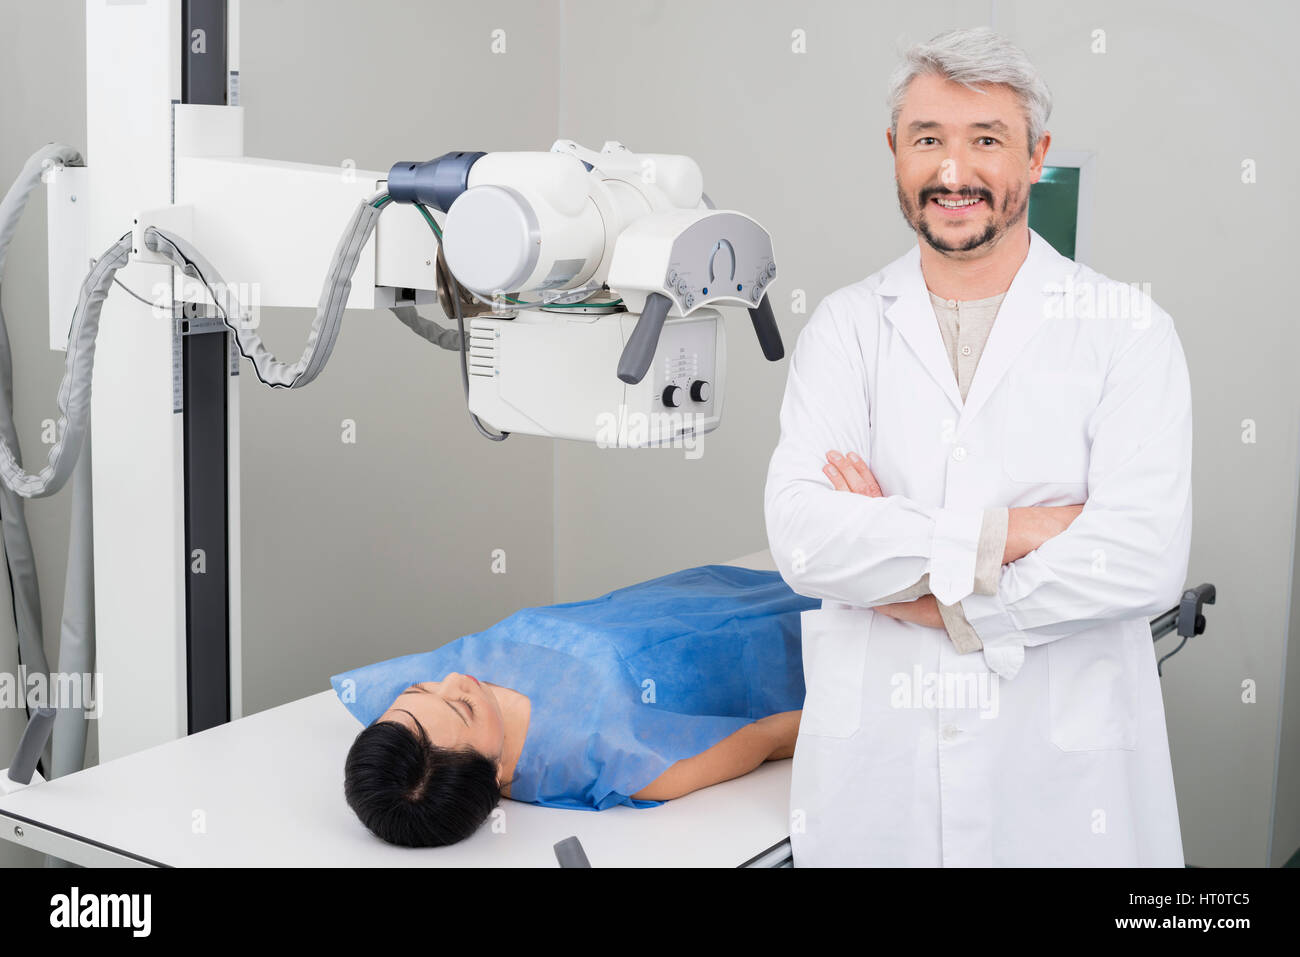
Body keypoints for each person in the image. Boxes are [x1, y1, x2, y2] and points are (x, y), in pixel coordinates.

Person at [764, 27, 1192, 866]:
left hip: (1058, 783)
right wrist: (1017, 532)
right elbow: (805, 540)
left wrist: (936, 599)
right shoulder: (845, 328)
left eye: (986, 141)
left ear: (1037, 155)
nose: (953, 172)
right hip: (879, 776)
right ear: (895, 151)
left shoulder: (1128, 330)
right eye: (928, 140)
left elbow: (1141, 558)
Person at [332, 563, 815, 847]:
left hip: (692, 593)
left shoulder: (418, 708)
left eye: (420, 689)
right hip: (770, 647)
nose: (456, 679)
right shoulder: (612, 759)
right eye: (464, 707)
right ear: (493, 775)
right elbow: (768, 738)